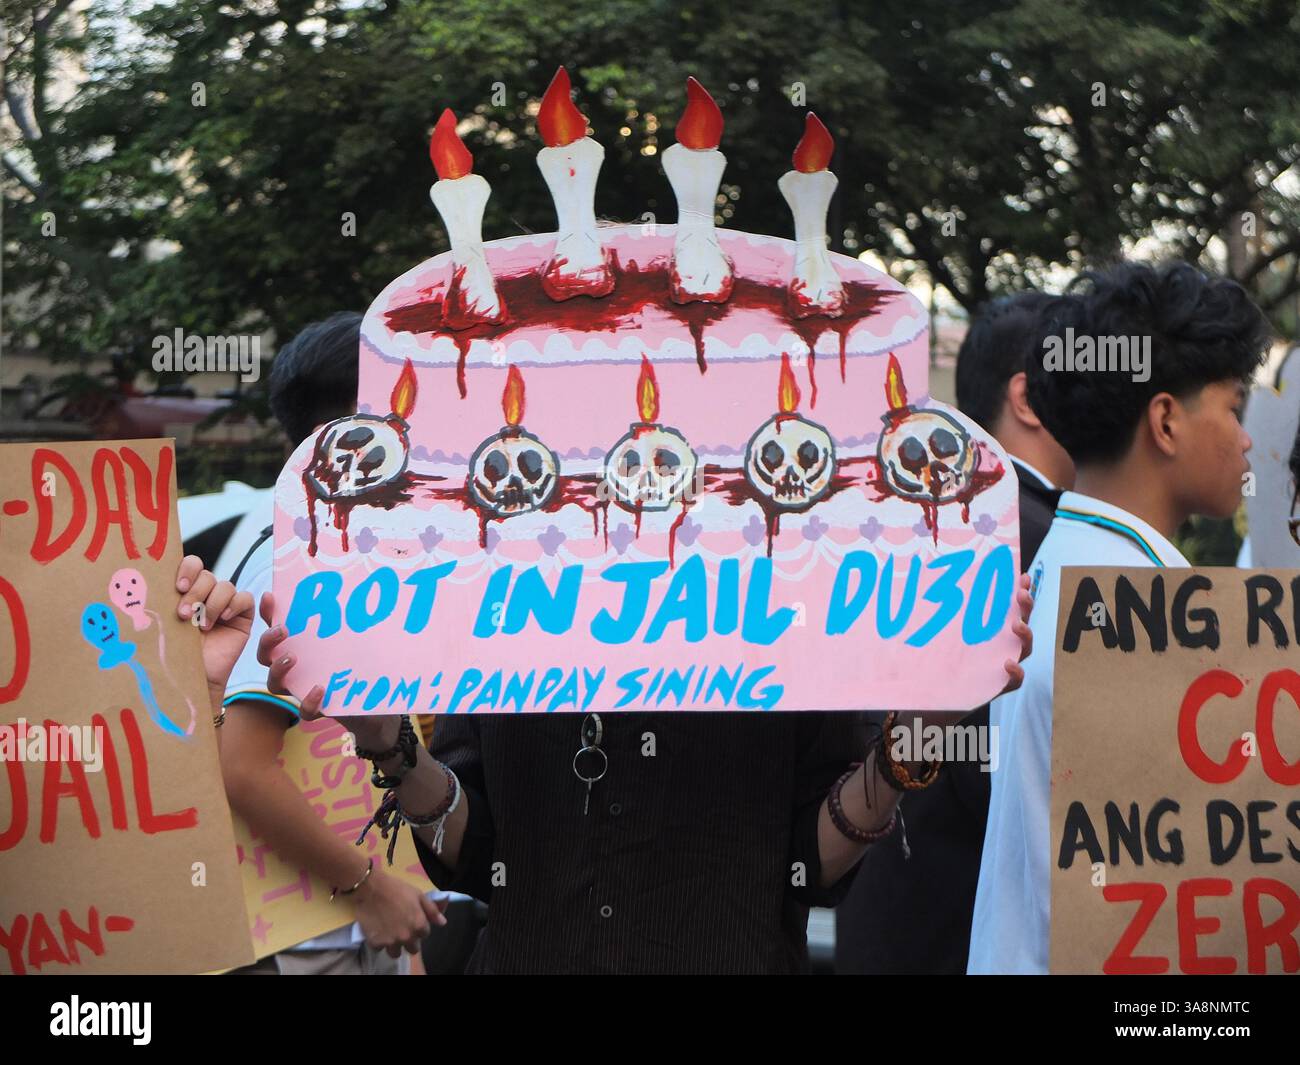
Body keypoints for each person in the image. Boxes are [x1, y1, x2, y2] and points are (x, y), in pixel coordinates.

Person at [968, 261, 1270, 974]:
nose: (1248, 440)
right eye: (1234, 408)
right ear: (1166, 420)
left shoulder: (1054, 571)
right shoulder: (1145, 618)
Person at [836, 291, 1076, 974]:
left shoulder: (912, 527)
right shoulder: (1036, 539)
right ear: (1027, 397)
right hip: (964, 933)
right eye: (1082, 381)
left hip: (882, 918)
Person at [220, 312, 448, 974]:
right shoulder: (298, 564)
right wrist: (366, 886)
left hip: (366, 917)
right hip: (316, 933)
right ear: (344, 436)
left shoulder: (358, 557)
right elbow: (244, 765)